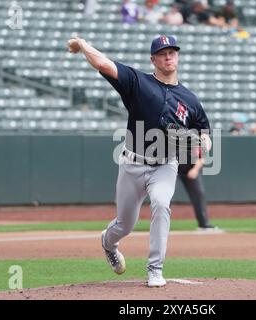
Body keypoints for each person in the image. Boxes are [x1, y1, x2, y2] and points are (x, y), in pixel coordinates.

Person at [67, 35, 211, 287]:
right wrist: (82, 45)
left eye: (172, 52)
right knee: (124, 224)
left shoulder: (190, 100)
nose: (168, 56)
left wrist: (201, 143)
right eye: (162, 53)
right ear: (152, 58)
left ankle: (155, 268)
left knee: (161, 203)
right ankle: (108, 243)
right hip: (132, 164)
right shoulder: (137, 82)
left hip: (165, 165)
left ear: (177, 56)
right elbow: (104, 64)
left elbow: (205, 134)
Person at [178, 154, 217, 231]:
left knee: (199, 194)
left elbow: (202, 157)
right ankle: (161, 224)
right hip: (171, 169)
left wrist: (195, 169)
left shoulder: (198, 142)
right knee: (166, 196)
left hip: (190, 168)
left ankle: (203, 224)